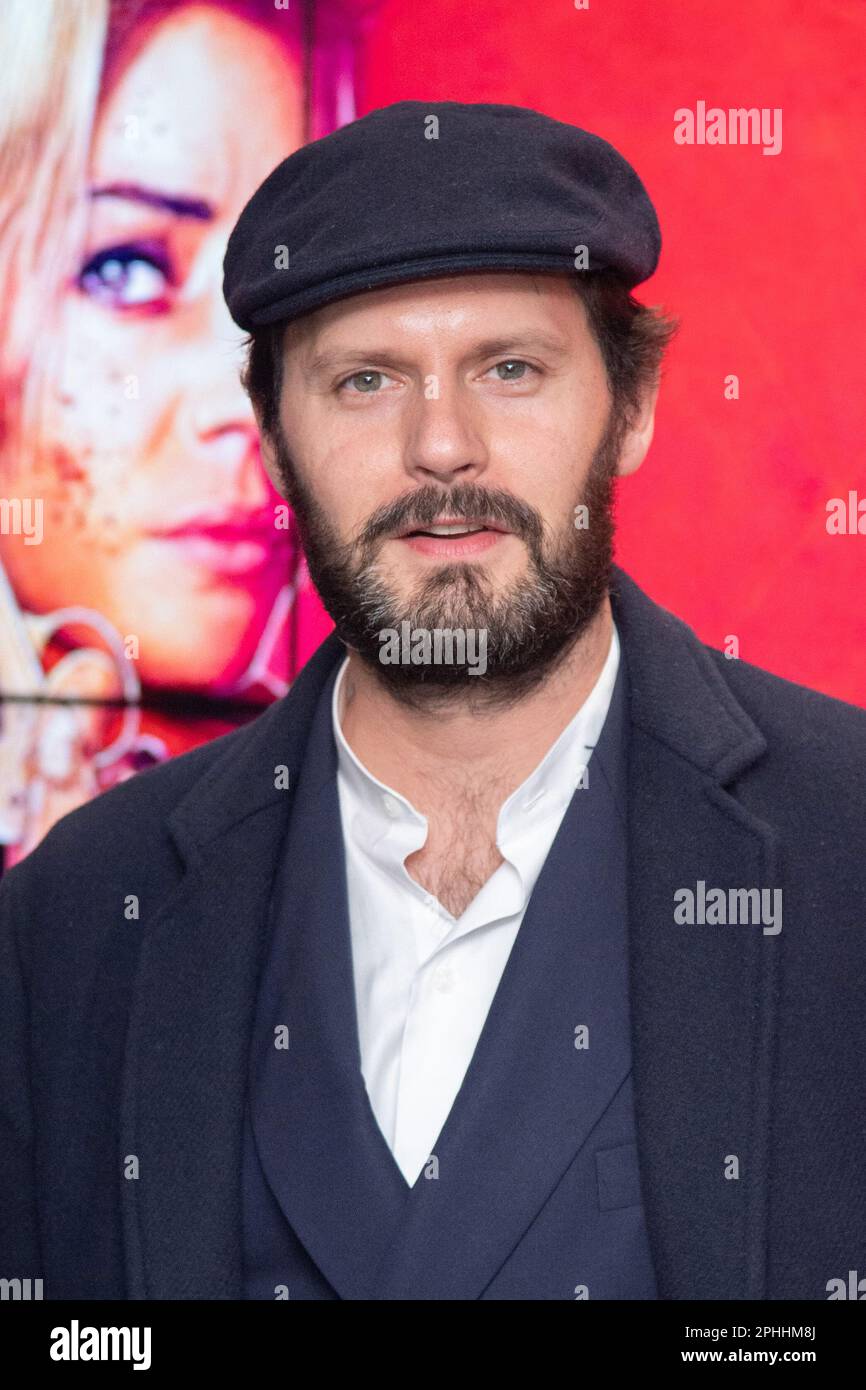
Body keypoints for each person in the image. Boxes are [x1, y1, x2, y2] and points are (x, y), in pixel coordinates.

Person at [2, 99, 864, 1301]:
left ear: (630, 406)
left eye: (508, 370)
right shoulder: (77, 916)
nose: (441, 446)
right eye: (365, 380)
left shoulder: (847, 847)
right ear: (273, 436)